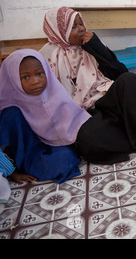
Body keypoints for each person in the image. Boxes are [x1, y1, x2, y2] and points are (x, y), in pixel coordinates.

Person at [39, 7, 136, 164]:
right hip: (83, 112)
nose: (82, 28)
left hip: (106, 97)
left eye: (81, 23)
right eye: (74, 26)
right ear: (59, 32)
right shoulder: (47, 57)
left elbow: (119, 72)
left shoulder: (91, 44)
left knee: (131, 80)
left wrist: (96, 47)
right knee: (87, 138)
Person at [0, 50, 90, 183]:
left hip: (51, 147)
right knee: (59, 164)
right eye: (25, 77)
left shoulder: (53, 93)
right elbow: (5, 146)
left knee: (66, 157)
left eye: (39, 74)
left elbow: (72, 122)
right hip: (27, 154)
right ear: (13, 80)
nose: (35, 81)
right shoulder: (10, 111)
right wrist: (12, 173)